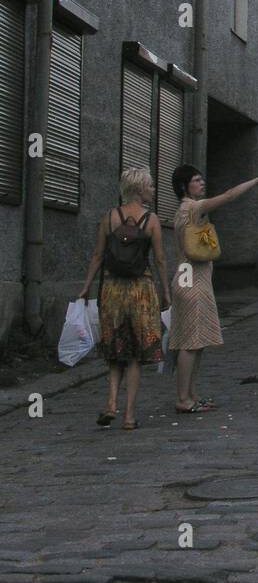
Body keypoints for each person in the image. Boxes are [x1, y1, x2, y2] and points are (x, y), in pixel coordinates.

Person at [170, 164, 258, 413]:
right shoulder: (193, 207)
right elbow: (229, 195)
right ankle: (183, 398)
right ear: (185, 186)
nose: (201, 183)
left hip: (191, 278)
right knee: (189, 342)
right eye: (196, 180)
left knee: (196, 342)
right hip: (192, 281)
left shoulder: (184, 211)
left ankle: (191, 395)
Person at [78, 167, 170, 430]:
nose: (152, 190)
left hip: (113, 290)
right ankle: (129, 416)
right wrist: (165, 291)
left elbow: (97, 256)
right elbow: (160, 260)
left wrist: (86, 286)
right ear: (140, 189)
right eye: (150, 186)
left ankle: (110, 404)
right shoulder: (151, 220)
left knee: (115, 350)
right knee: (134, 356)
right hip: (141, 290)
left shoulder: (109, 218)